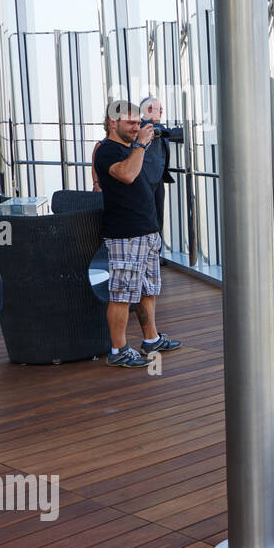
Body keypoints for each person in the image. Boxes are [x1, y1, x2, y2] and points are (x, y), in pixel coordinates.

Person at [92, 99, 182, 368]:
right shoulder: (108, 150)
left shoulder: (131, 147)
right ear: (112, 123)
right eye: (130, 123)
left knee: (147, 290)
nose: (136, 127)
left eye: (137, 122)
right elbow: (129, 175)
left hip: (145, 230)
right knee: (122, 294)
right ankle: (118, 349)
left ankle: (151, 339)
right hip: (125, 234)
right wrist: (141, 144)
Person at [136, 96, 184, 235]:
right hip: (146, 179)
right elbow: (168, 133)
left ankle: (156, 250)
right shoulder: (144, 126)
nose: (162, 112)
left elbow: (168, 134)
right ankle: (153, 251)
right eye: (159, 109)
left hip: (156, 179)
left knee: (157, 217)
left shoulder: (157, 127)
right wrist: (188, 131)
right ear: (149, 110)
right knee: (151, 218)